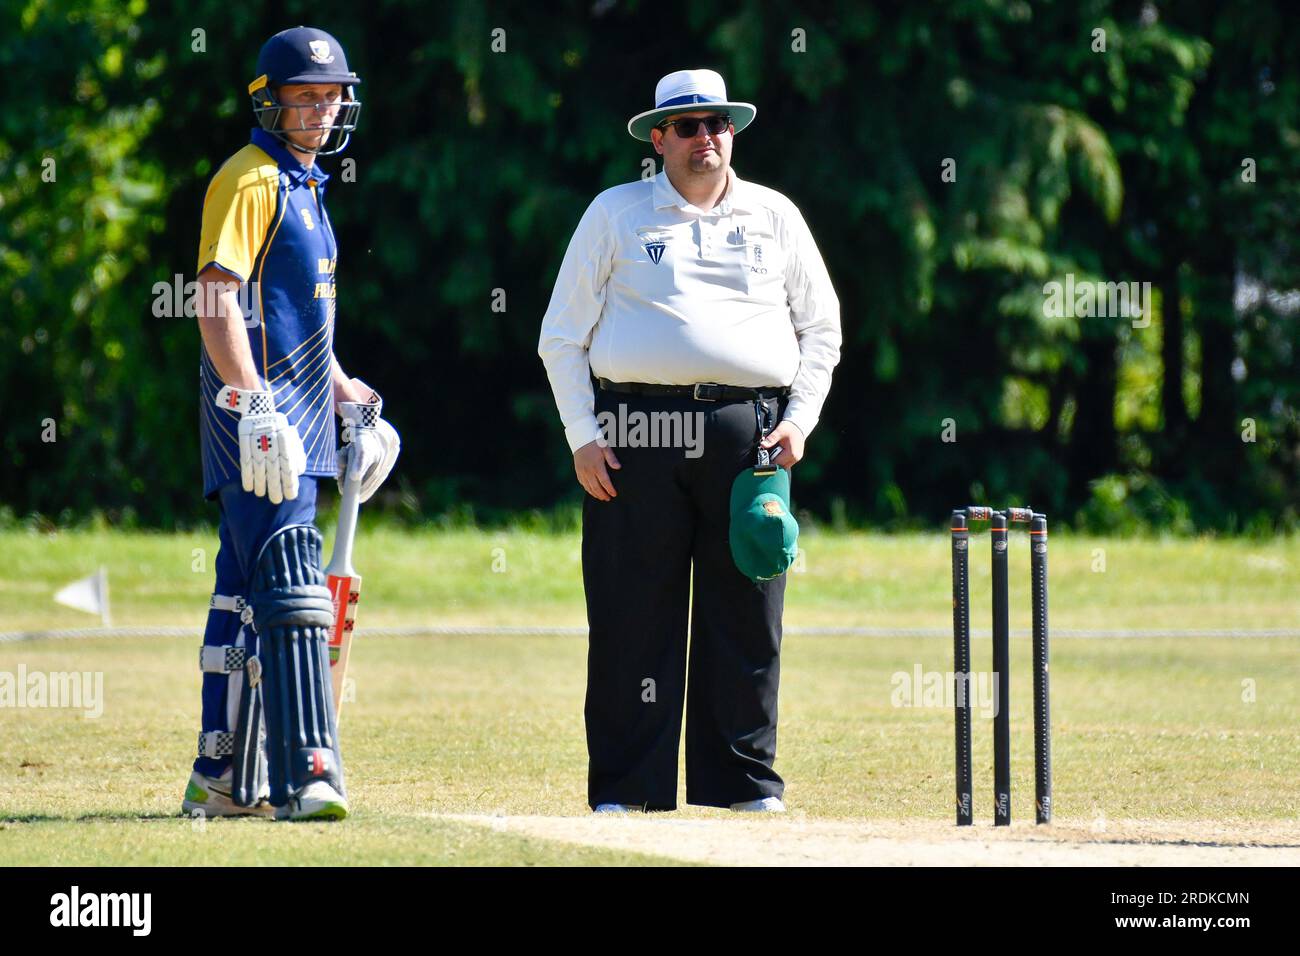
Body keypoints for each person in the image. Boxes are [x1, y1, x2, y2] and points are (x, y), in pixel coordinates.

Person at [538, 69, 841, 813]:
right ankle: (626, 789)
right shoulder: (616, 213)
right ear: (659, 138)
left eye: (717, 123)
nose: (705, 137)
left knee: (747, 615)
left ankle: (742, 786)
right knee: (629, 615)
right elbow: (560, 336)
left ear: (731, 131)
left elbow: (821, 328)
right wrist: (582, 435)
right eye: (688, 125)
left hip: (752, 435)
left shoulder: (774, 214)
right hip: (634, 432)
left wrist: (798, 420)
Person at [181, 26, 399, 821]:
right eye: (303, 98)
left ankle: (222, 777)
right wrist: (251, 401)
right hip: (259, 426)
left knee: (244, 593)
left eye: (330, 95)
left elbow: (294, 320)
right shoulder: (250, 179)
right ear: (269, 102)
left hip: (296, 422)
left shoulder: (307, 186)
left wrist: (344, 393)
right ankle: (305, 772)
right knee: (289, 580)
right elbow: (216, 299)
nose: (318, 110)